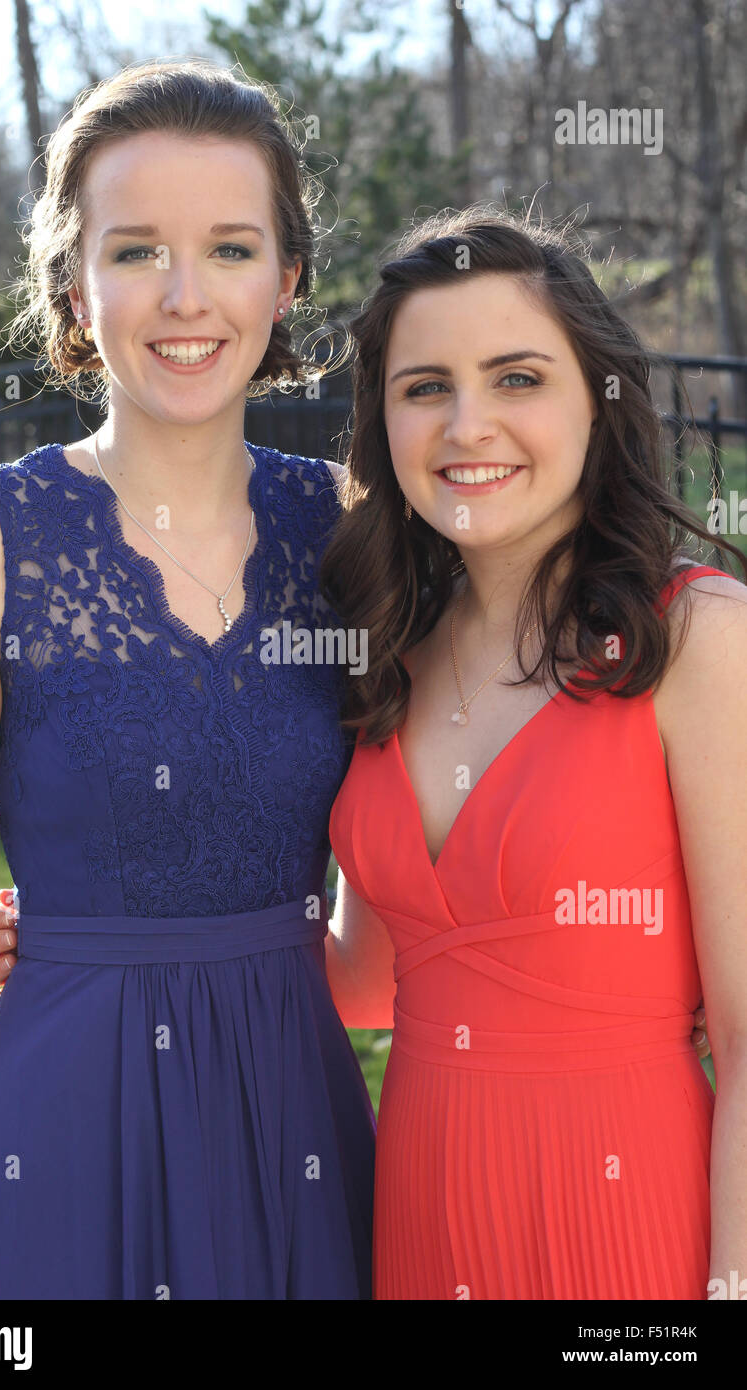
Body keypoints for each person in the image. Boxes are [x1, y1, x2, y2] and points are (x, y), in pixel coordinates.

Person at [0, 58, 375, 1301]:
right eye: (137, 249)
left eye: (228, 246)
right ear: (73, 280)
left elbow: (459, 821)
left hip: (295, 1122)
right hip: (51, 1135)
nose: (184, 294)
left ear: (287, 277)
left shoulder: (355, 534)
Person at [319, 208, 747, 1299]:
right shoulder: (387, 658)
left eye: (516, 378)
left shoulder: (698, 639)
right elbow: (368, 979)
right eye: (424, 387)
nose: (468, 425)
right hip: (421, 1229)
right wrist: (116, 931)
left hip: (629, 1234)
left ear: (596, 404)